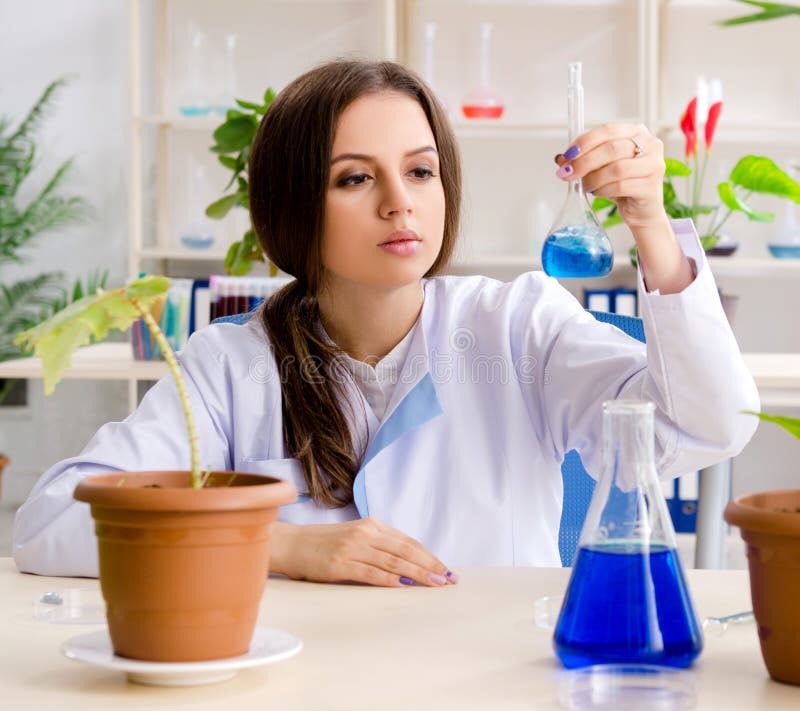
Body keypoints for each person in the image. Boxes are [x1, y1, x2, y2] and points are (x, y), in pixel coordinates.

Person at [13, 59, 759, 584]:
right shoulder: (230, 364)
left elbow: (706, 425)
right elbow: (50, 520)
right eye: (355, 177)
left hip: (492, 679)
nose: (400, 201)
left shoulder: (517, 324)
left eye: (421, 170)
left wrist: (650, 223)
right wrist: (273, 544)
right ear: (294, 203)